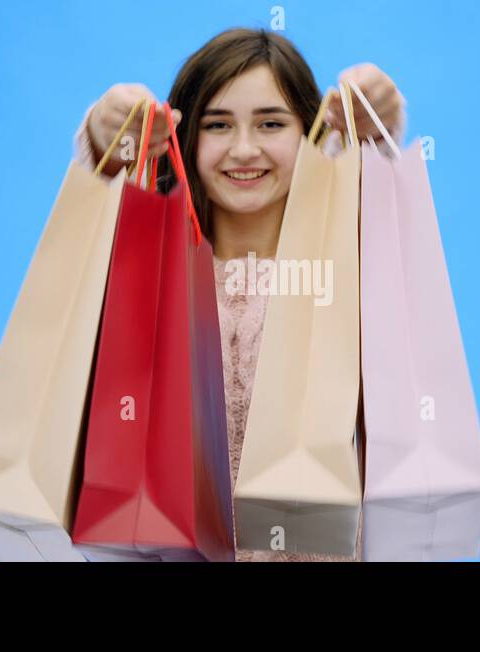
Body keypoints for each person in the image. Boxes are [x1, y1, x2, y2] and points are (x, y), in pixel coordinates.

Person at [73, 27, 407, 561]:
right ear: (183, 140)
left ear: (311, 133)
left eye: (271, 123)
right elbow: (93, 220)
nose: (244, 148)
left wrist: (372, 125)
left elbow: (374, 192)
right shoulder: (152, 283)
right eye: (217, 125)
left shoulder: (340, 274)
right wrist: (107, 135)